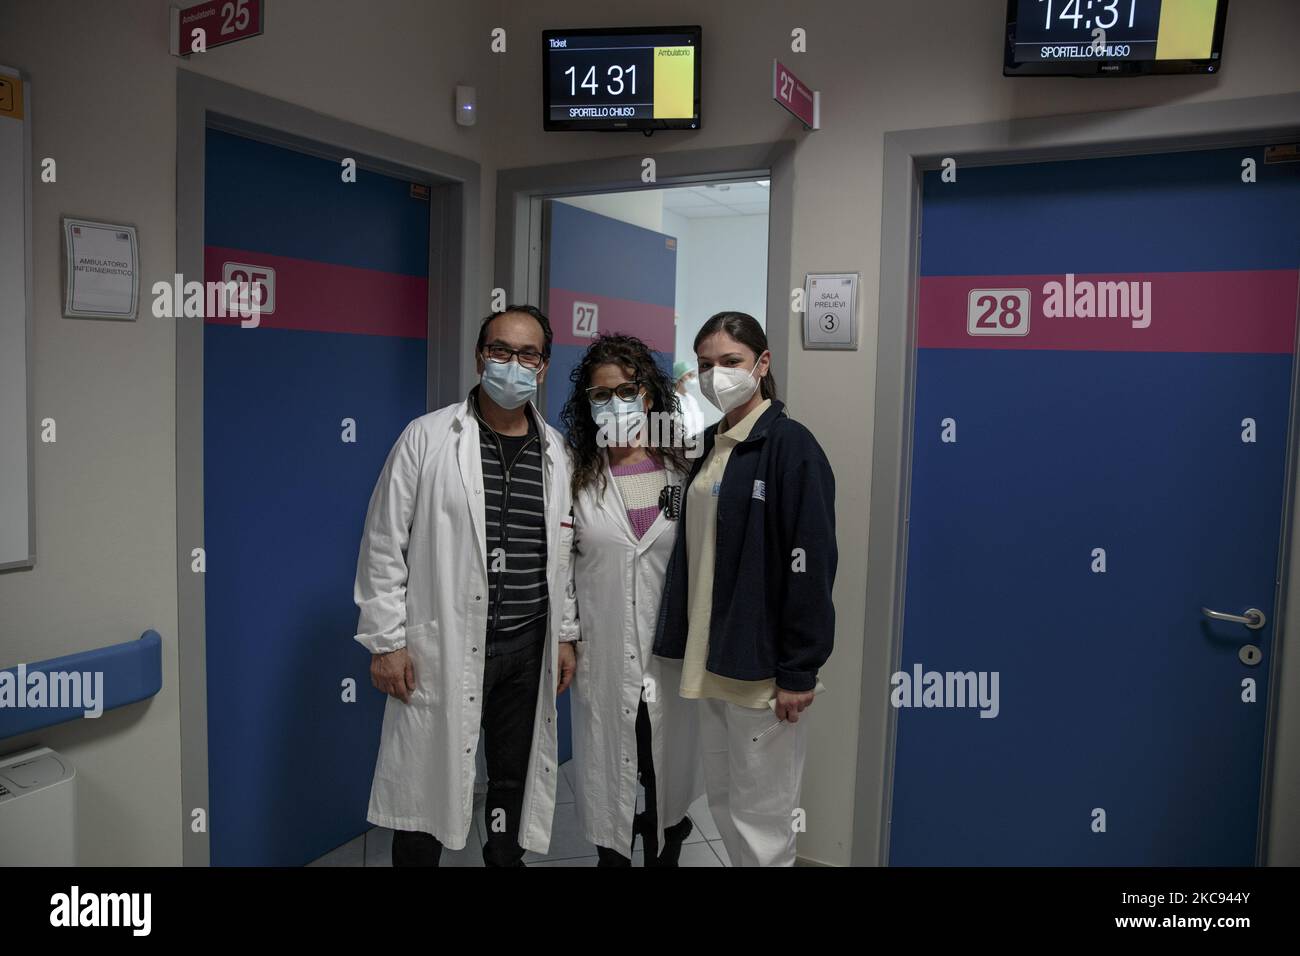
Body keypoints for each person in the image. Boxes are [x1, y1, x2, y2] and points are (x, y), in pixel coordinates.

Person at [352, 304, 578, 867]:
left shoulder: (557, 454)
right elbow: (383, 543)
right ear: (481, 357)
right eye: (500, 350)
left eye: (528, 354)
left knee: (512, 783)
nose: (513, 363)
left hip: (528, 647)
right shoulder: (427, 438)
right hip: (443, 644)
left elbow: (564, 556)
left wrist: (567, 634)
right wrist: (386, 640)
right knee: (427, 787)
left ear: (544, 367)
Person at [653, 311, 837, 867]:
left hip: (761, 670)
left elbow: (813, 561)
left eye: (730, 362)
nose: (716, 376)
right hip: (712, 660)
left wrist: (799, 667)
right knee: (728, 803)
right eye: (705, 365)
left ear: (762, 363)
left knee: (763, 817)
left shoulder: (790, 447)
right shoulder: (712, 444)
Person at [560, 334, 704, 866]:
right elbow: (562, 570)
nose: (613, 403)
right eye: (600, 395)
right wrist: (565, 637)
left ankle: (668, 839)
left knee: (665, 771)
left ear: (647, 397)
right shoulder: (573, 476)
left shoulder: (685, 471)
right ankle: (613, 855)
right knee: (608, 777)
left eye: (624, 390)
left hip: (668, 656)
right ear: (587, 404)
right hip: (603, 652)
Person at [673, 359, 708, 438]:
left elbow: (698, 425)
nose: (693, 378)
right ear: (678, 379)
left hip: (696, 444)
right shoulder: (671, 400)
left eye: (694, 375)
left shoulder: (692, 400)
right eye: (689, 375)